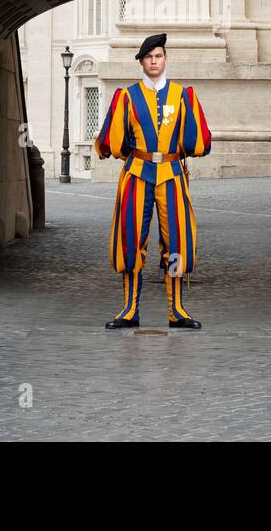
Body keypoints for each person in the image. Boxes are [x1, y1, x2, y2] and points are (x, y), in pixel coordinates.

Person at [95, 33, 212, 330]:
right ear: (142, 62)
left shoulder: (182, 95)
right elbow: (110, 141)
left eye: (158, 56)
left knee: (175, 241)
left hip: (172, 175)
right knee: (132, 239)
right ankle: (129, 309)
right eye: (148, 57)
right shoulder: (127, 96)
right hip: (137, 174)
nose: (154, 61)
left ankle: (176, 310)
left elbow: (198, 142)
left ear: (165, 59)